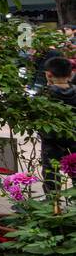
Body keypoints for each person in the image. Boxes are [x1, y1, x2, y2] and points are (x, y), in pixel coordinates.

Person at [38, 55, 76, 198]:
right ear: (71, 73)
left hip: (51, 141)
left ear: (48, 74)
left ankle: (53, 206)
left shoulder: (45, 94)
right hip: (74, 138)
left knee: (51, 174)